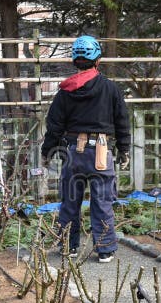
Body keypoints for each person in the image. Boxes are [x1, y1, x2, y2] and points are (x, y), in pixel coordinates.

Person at [41, 35, 131, 263]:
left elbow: (54, 125)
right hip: (101, 152)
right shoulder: (110, 89)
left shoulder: (65, 91)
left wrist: (47, 151)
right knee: (102, 201)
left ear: (74, 60)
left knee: (70, 201)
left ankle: (69, 247)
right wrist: (124, 149)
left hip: (73, 153)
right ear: (97, 60)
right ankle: (104, 249)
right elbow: (122, 121)